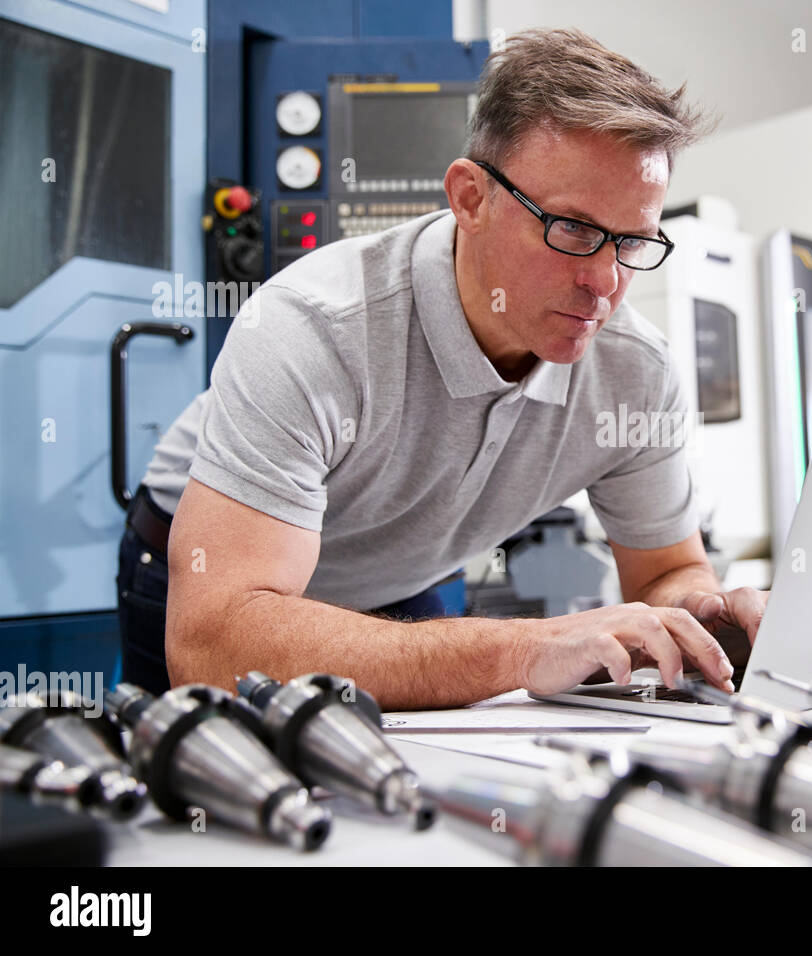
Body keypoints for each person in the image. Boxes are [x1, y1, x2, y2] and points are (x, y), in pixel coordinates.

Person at [116, 28, 765, 709]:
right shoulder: (316, 326)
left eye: (632, 241)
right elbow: (216, 644)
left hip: (394, 584)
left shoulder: (637, 372)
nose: (604, 282)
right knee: (208, 789)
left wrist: (701, 613)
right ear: (471, 199)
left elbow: (665, 568)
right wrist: (524, 647)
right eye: (573, 229)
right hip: (210, 584)